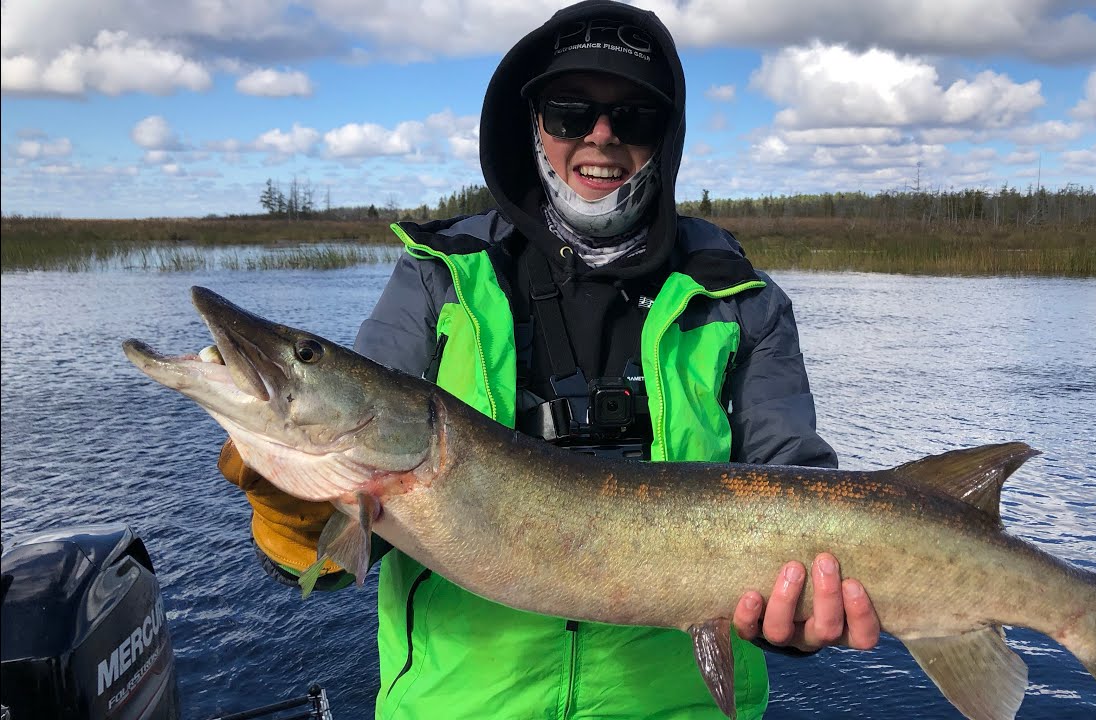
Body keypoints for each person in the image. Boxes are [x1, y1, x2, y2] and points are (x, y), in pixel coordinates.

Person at [217, 1, 880, 716]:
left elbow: (803, 495)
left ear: (666, 138)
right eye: (569, 113)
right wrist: (293, 508)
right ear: (533, 123)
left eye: (634, 118)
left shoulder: (740, 300)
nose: (600, 137)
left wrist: (803, 618)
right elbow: (326, 561)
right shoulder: (441, 277)